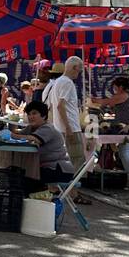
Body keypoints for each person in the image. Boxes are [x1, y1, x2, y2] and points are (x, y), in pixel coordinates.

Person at [45, 56, 90, 201]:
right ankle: (74, 193)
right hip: (69, 128)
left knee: (65, 161)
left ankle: (58, 189)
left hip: (61, 128)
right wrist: (69, 128)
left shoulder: (57, 83)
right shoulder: (67, 83)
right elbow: (60, 106)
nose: (80, 73)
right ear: (74, 68)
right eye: (80, 69)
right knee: (77, 161)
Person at [98, 74, 129, 179]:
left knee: (124, 152)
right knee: (128, 152)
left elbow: (108, 102)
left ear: (120, 87)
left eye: (115, 87)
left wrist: (93, 100)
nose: (114, 90)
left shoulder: (123, 95)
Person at [20, 100, 75, 191]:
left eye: (34, 113)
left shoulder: (48, 128)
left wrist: (11, 135)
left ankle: (33, 201)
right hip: (46, 168)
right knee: (18, 173)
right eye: (29, 114)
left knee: (27, 176)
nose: (30, 117)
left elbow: (33, 138)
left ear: (44, 115)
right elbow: (20, 135)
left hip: (60, 170)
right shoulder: (31, 128)